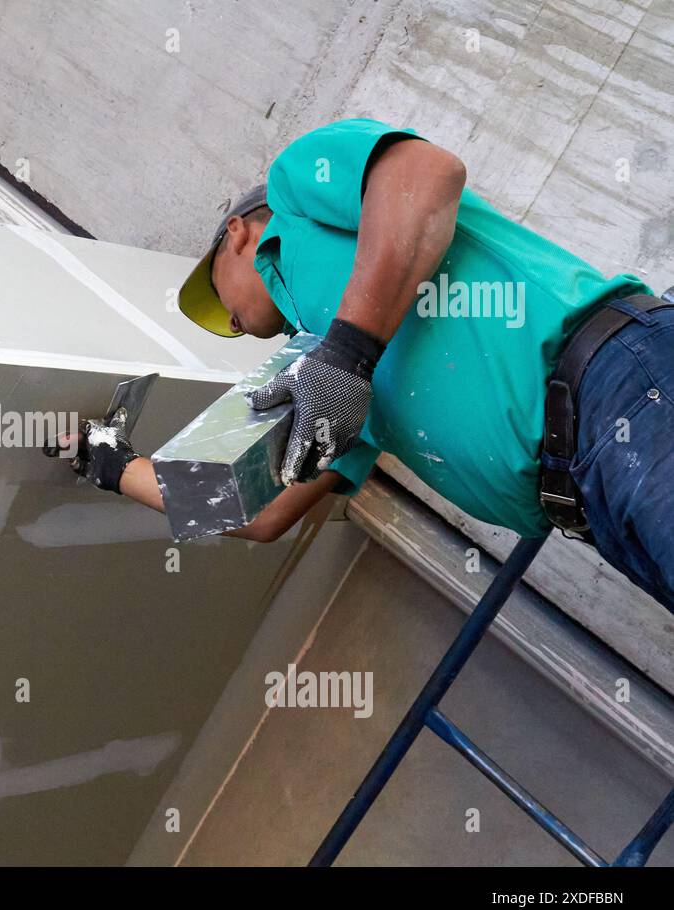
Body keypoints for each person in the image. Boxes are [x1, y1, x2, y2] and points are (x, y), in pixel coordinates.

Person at [53, 118, 674, 612]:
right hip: (591, 504)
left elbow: (427, 172)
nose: (234, 326)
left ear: (239, 234)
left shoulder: (295, 189)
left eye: (220, 299)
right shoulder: (313, 375)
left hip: (620, 389)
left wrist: (347, 355)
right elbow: (255, 508)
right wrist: (113, 464)